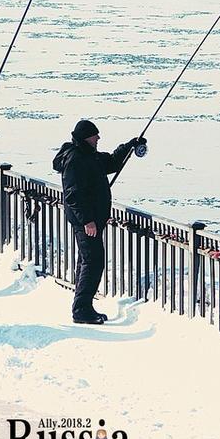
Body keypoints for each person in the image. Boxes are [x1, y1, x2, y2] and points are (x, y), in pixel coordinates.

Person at [53, 120, 146, 325]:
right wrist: (87, 220)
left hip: (93, 219)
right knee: (93, 262)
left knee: (88, 261)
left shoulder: (89, 156)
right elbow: (73, 195)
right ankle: (82, 309)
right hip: (87, 222)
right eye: (95, 135)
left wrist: (129, 146)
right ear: (86, 137)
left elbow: (111, 162)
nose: (98, 138)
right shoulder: (76, 159)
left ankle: (83, 305)